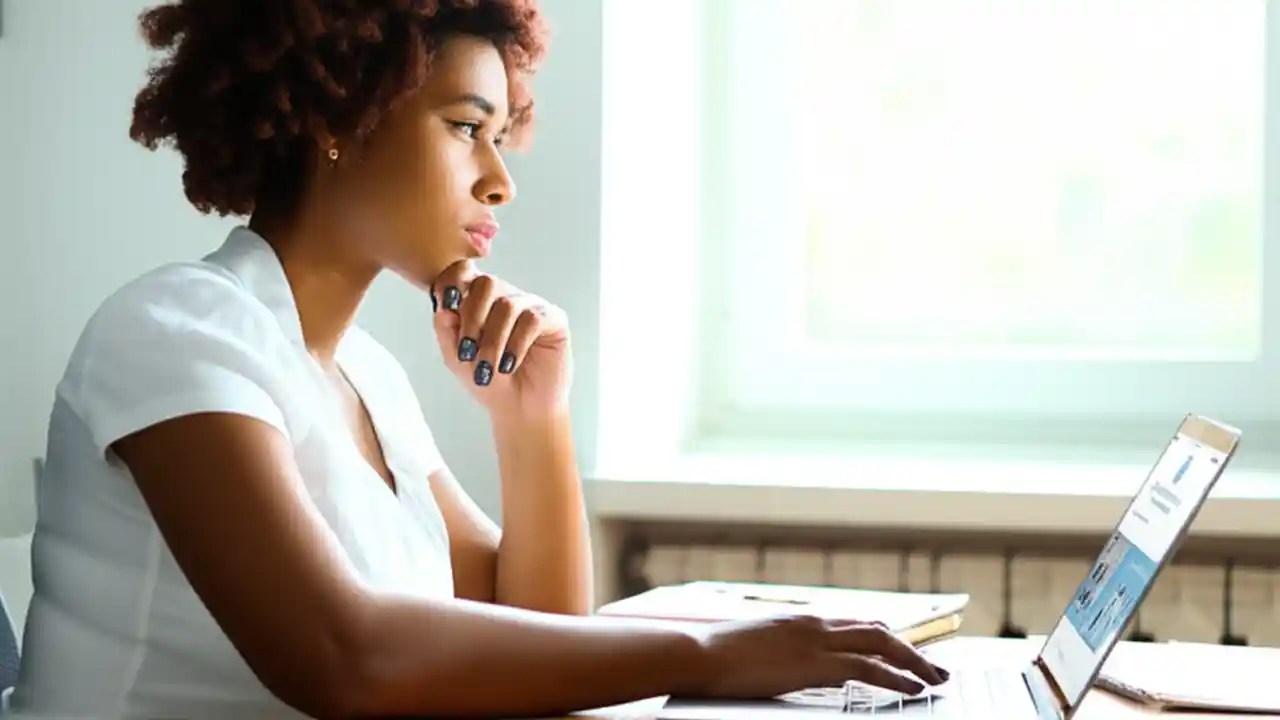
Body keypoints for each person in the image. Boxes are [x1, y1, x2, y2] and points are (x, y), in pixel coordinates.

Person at [9, 1, 950, 718]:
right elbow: (347, 658)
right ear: (340, 114)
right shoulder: (176, 331)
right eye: (466, 127)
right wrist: (708, 652)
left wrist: (531, 419)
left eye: (501, 137)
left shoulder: (363, 375)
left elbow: (539, 641)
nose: (498, 177)